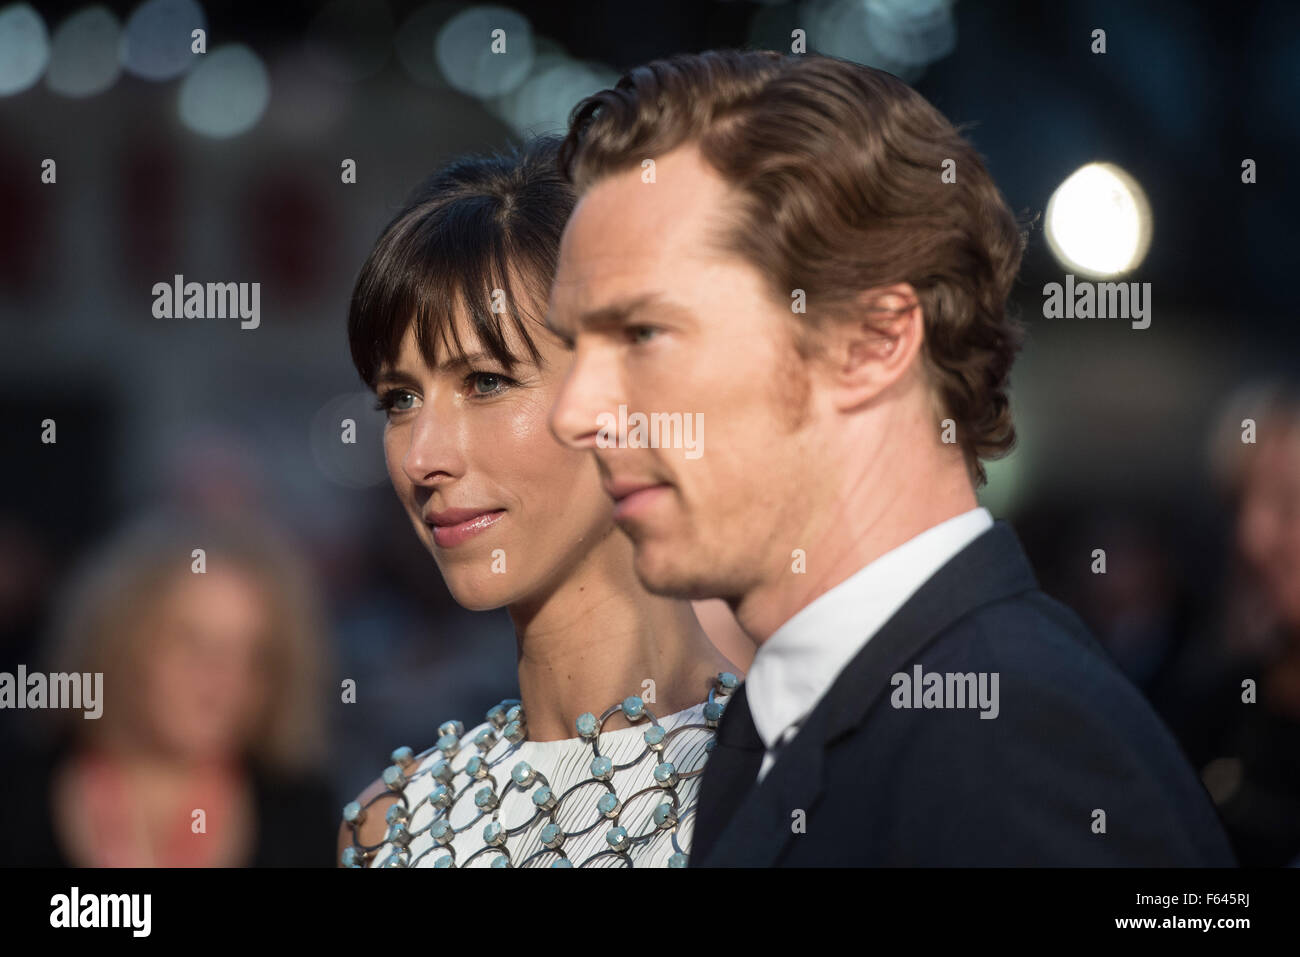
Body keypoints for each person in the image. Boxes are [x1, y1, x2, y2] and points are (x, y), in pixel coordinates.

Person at [546, 49, 1236, 865]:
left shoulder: (1014, 743)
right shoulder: (780, 720)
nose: (576, 413)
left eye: (643, 334)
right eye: (572, 346)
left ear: (873, 342)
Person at [338, 136, 747, 868]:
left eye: (486, 382)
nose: (423, 456)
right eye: (399, 399)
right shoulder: (387, 831)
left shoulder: (802, 787)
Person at [0, 509, 337, 867]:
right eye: (190, 641)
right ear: (119, 642)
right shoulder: (17, 796)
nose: (222, 678)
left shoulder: (301, 817)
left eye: (251, 655)